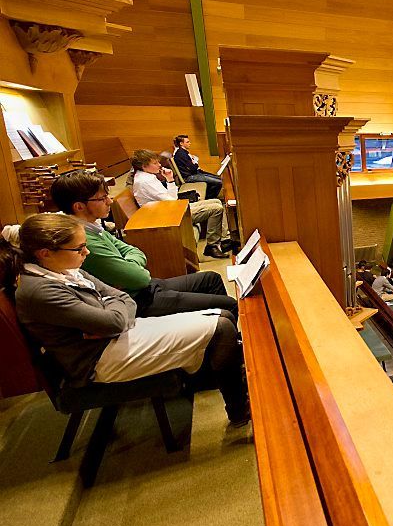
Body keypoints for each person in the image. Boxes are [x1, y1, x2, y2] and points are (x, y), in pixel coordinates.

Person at [10, 213, 249, 425]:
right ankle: (239, 411)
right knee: (222, 328)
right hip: (98, 359)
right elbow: (113, 321)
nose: (87, 252)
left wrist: (110, 310)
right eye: (79, 248)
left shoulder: (62, 267)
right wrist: (112, 311)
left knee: (225, 315)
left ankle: (229, 383)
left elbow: (120, 296)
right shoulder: (39, 290)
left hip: (114, 337)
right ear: (45, 253)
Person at [50, 170, 237, 317]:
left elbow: (132, 250)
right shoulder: (82, 238)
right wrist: (134, 265)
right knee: (228, 304)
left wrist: (131, 262)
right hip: (136, 300)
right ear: (79, 206)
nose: (110, 201)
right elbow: (138, 277)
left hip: (143, 287)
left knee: (210, 278)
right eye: (102, 198)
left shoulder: (90, 225)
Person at [129, 149, 233, 259]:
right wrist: (170, 181)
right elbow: (172, 200)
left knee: (217, 202)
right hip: (167, 215)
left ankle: (221, 240)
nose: (159, 165)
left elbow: (171, 199)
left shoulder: (146, 176)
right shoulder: (145, 181)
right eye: (155, 163)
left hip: (170, 208)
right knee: (216, 208)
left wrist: (169, 179)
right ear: (144, 166)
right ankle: (212, 246)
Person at [172, 134, 224, 199]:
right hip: (189, 177)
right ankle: (209, 198)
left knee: (218, 178)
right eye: (187, 142)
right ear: (181, 143)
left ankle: (209, 197)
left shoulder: (183, 152)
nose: (190, 143)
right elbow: (193, 168)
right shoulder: (181, 154)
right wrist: (195, 162)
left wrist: (194, 162)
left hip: (194, 173)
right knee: (219, 182)